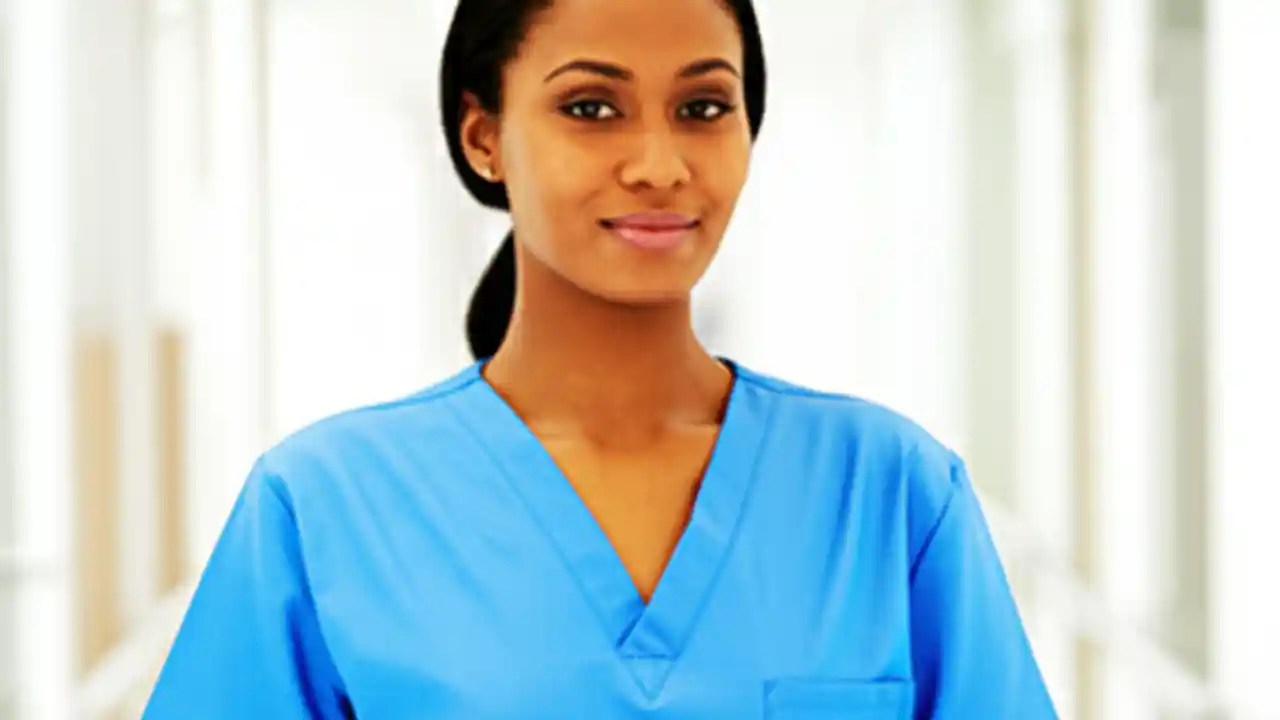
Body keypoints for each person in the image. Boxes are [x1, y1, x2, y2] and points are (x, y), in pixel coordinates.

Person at [142, 0, 1058, 717]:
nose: (660, 163)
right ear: (483, 136)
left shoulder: (888, 494)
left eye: (703, 107)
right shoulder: (324, 506)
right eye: (591, 108)